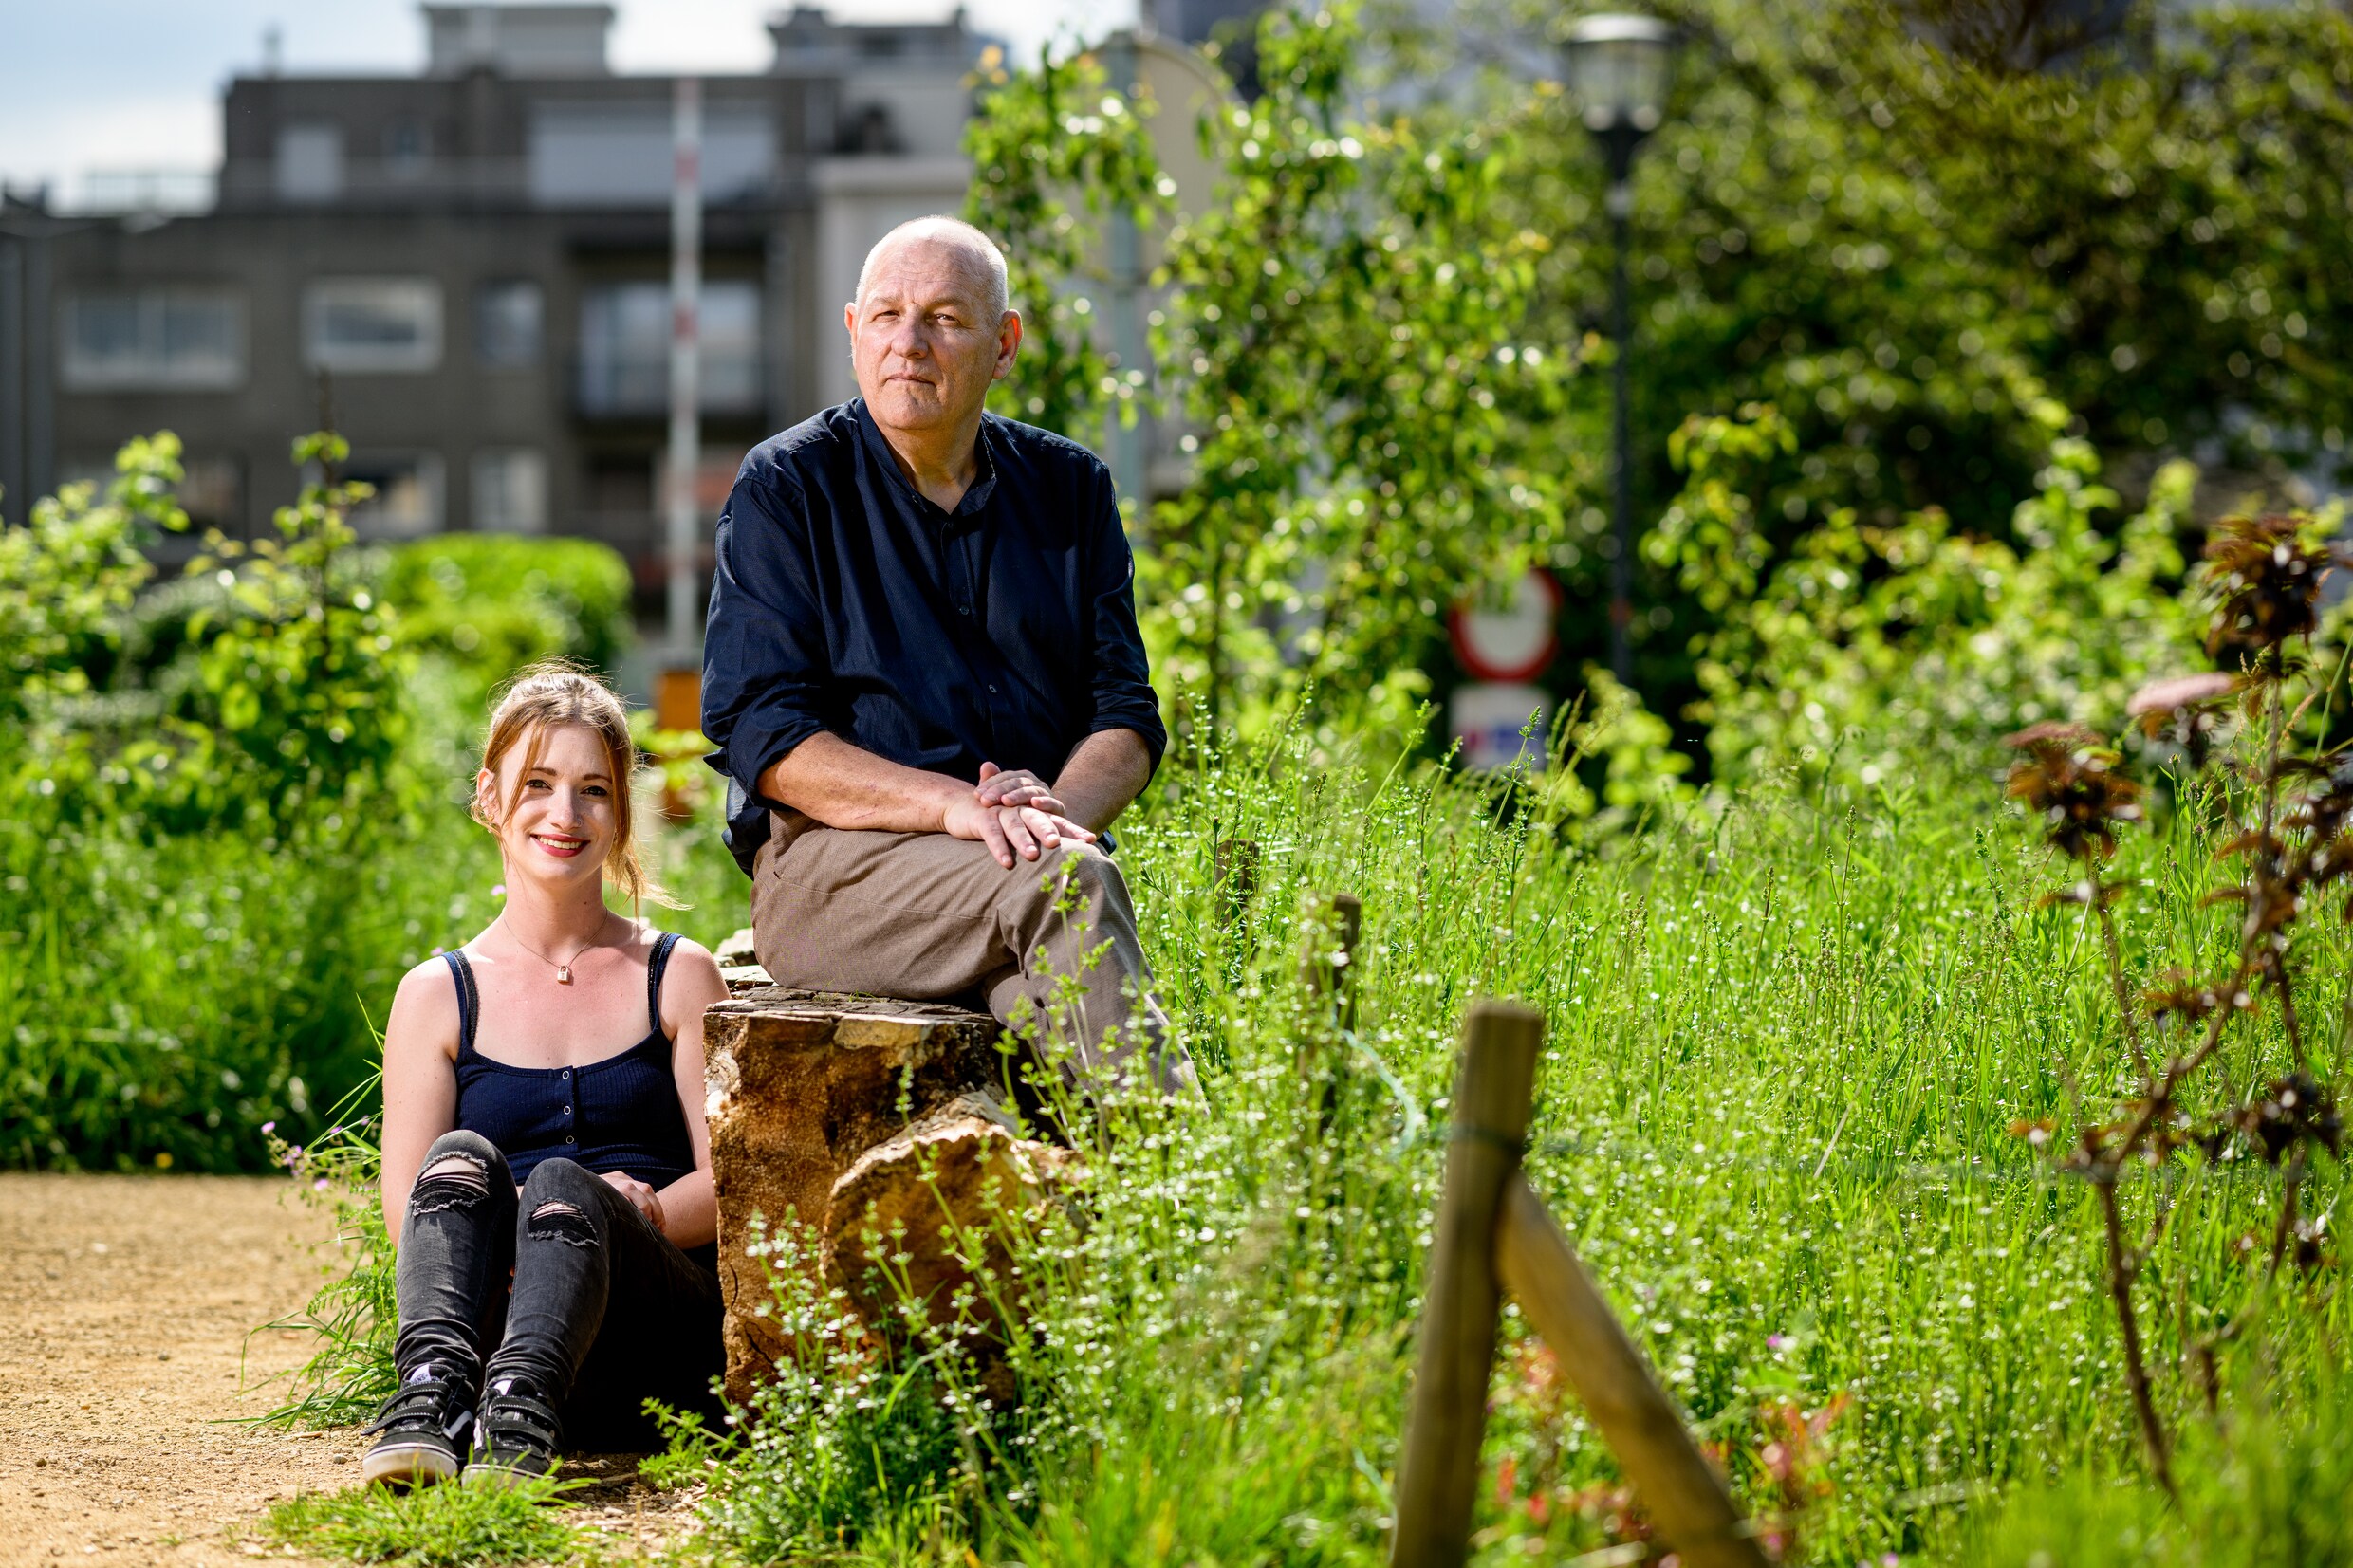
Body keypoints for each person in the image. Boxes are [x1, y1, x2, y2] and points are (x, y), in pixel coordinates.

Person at [700, 214, 1194, 1092]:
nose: (910, 344)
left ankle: (1119, 1215)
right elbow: (764, 736)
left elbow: (1124, 715)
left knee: (1050, 1009)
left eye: (945, 319)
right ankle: (1209, 1210)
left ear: (1003, 345)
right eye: (886, 316)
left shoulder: (1070, 488)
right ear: (853, 333)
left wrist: (1046, 816)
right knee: (1069, 888)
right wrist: (958, 809)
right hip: (832, 876)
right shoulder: (785, 486)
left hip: (1013, 873)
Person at [361, 664, 731, 1488]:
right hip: (493, 1317)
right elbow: (410, 1215)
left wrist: (643, 1209)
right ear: (490, 796)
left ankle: (523, 1407)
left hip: (651, 1346)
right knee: (455, 1155)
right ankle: (436, 1397)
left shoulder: (677, 974)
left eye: (594, 789)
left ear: (621, 812)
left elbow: (731, 1184)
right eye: (539, 782)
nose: (565, 814)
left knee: (566, 1179)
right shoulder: (435, 994)